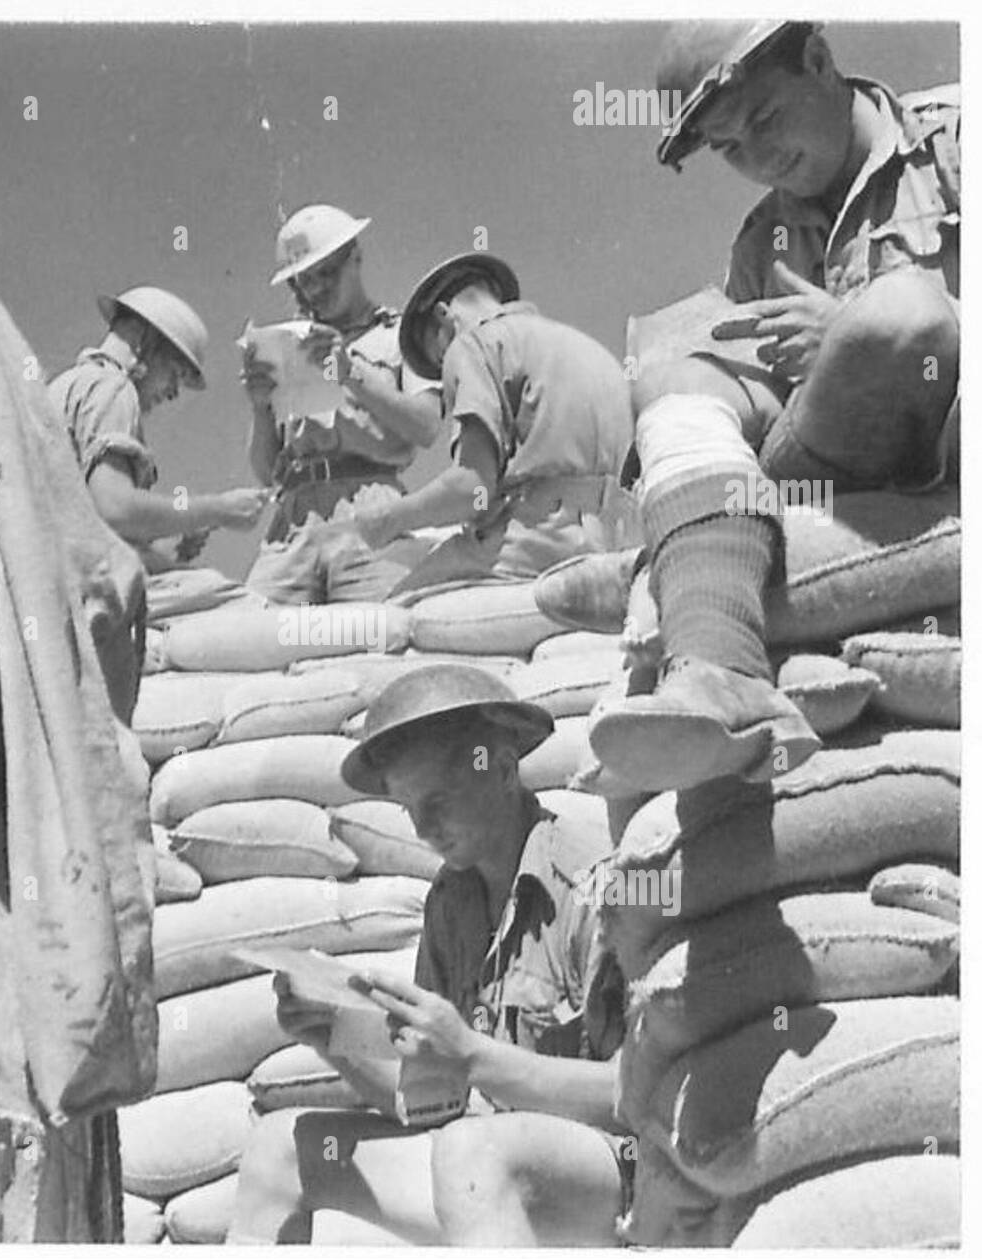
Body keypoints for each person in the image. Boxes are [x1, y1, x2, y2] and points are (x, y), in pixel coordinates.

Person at [536, 20, 960, 791]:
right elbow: (756, 399)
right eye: (730, 148)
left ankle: (675, 568)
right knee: (673, 366)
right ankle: (720, 667)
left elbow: (896, 334)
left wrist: (849, 332)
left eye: (764, 119)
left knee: (901, 317)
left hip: (949, 438)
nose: (759, 158)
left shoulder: (957, 141)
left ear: (820, 60)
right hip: (825, 465)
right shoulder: (760, 243)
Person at [226, 666, 630, 1246]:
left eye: (438, 800)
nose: (424, 827)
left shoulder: (595, 891)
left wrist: (472, 1055)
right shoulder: (450, 901)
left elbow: (642, 1097)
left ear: (504, 771)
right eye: (409, 807)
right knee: (279, 1148)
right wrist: (334, 1038)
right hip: (482, 1171)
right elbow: (433, 1102)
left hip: (611, 1179)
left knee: (472, 1152)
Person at [351, 251, 639, 583]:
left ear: (445, 318)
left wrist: (387, 519)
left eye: (438, 355)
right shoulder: (588, 347)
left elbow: (472, 489)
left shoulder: (473, 344)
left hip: (536, 548)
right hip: (615, 544)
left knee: (385, 623)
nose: (445, 364)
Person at [241, 204, 443, 604]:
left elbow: (426, 426)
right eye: (303, 282)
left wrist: (350, 372)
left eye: (326, 274)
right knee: (253, 641)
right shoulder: (289, 345)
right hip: (292, 521)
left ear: (356, 257)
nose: (315, 290)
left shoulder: (401, 336)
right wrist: (260, 407)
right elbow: (267, 472)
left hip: (370, 512)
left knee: (374, 642)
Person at [50, 285, 268, 596]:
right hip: (85, 589)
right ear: (143, 341)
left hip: (56, 578)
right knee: (240, 602)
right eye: (175, 373)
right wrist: (219, 509)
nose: (173, 391)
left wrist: (173, 538)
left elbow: (89, 523)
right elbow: (115, 509)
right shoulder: (114, 390)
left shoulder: (67, 385)